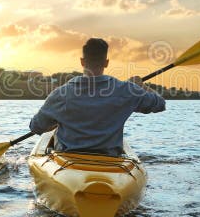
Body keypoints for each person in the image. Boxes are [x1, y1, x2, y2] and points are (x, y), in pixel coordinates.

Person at [29, 38, 166, 156]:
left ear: (82, 61)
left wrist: (56, 121)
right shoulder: (127, 91)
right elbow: (160, 104)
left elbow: (36, 127)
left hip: (69, 160)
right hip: (110, 161)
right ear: (106, 63)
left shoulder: (62, 93)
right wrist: (141, 86)